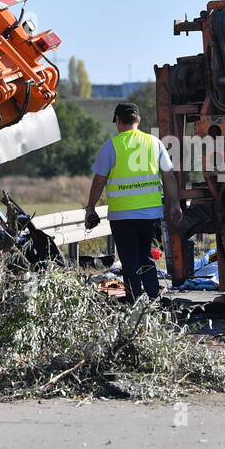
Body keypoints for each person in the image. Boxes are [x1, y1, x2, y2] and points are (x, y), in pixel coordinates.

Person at [85, 103, 182, 301]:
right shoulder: (154, 143)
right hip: (151, 213)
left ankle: (134, 298)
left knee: (129, 258)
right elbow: (169, 177)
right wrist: (174, 205)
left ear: (118, 121)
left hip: (123, 214)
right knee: (145, 254)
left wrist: (90, 207)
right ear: (138, 121)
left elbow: (98, 181)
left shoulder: (111, 146)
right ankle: (153, 295)